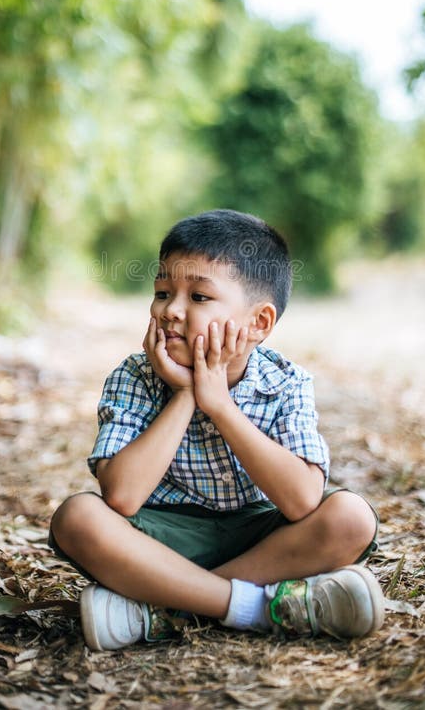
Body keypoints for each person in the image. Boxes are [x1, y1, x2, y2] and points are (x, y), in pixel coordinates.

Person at [49, 209, 384, 650]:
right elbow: (123, 496)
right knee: (78, 518)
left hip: (264, 541)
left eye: (199, 297)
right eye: (163, 291)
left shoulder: (286, 382)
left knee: (350, 518)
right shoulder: (135, 376)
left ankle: (162, 608)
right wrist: (187, 395)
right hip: (162, 540)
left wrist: (221, 406)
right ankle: (260, 608)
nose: (171, 310)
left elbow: (303, 500)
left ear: (259, 323)